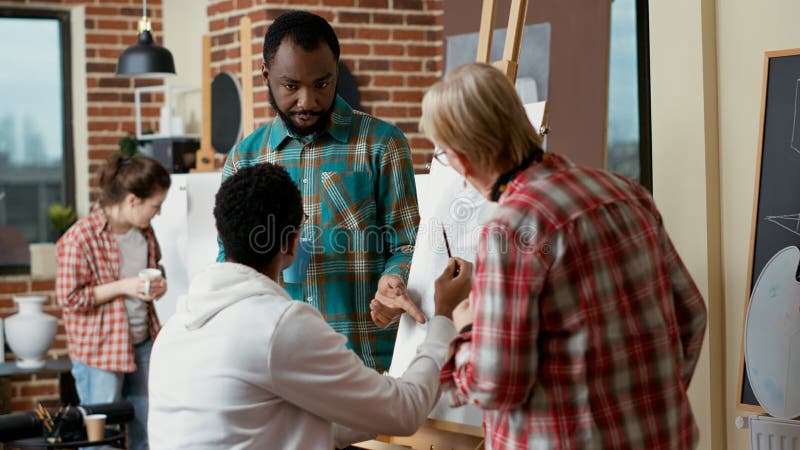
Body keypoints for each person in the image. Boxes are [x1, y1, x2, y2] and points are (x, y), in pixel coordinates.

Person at [420, 63, 708, 449]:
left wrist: (468, 325)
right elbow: (691, 312)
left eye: (445, 156)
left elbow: (495, 384)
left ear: (463, 161)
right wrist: (652, 406)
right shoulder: (625, 192)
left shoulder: (511, 228)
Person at [148, 163, 466, 450]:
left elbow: (277, 422)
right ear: (291, 242)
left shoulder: (174, 329)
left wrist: (366, 404)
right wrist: (444, 317)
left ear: (221, 233)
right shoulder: (278, 324)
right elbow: (405, 411)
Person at [218, 10, 424, 371]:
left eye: (322, 84)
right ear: (267, 76)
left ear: (336, 72)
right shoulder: (244, 159)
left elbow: (408, 242)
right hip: (280, 367)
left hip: (366, 365)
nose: (307, 102)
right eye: (291, 86)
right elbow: (229, 260)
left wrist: (395, 279)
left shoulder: (382, 145)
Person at [56, 154, 171, 450]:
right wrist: (124, 287)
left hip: (142, 341)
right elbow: (70, 299)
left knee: (148, 427)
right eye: (155, 206)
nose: (157, 214)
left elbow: (157, 266)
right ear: (133, 200)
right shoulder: (80, 238)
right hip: (100, 351)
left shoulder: (144, 233)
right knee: (100, 437)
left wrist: (158, 285)